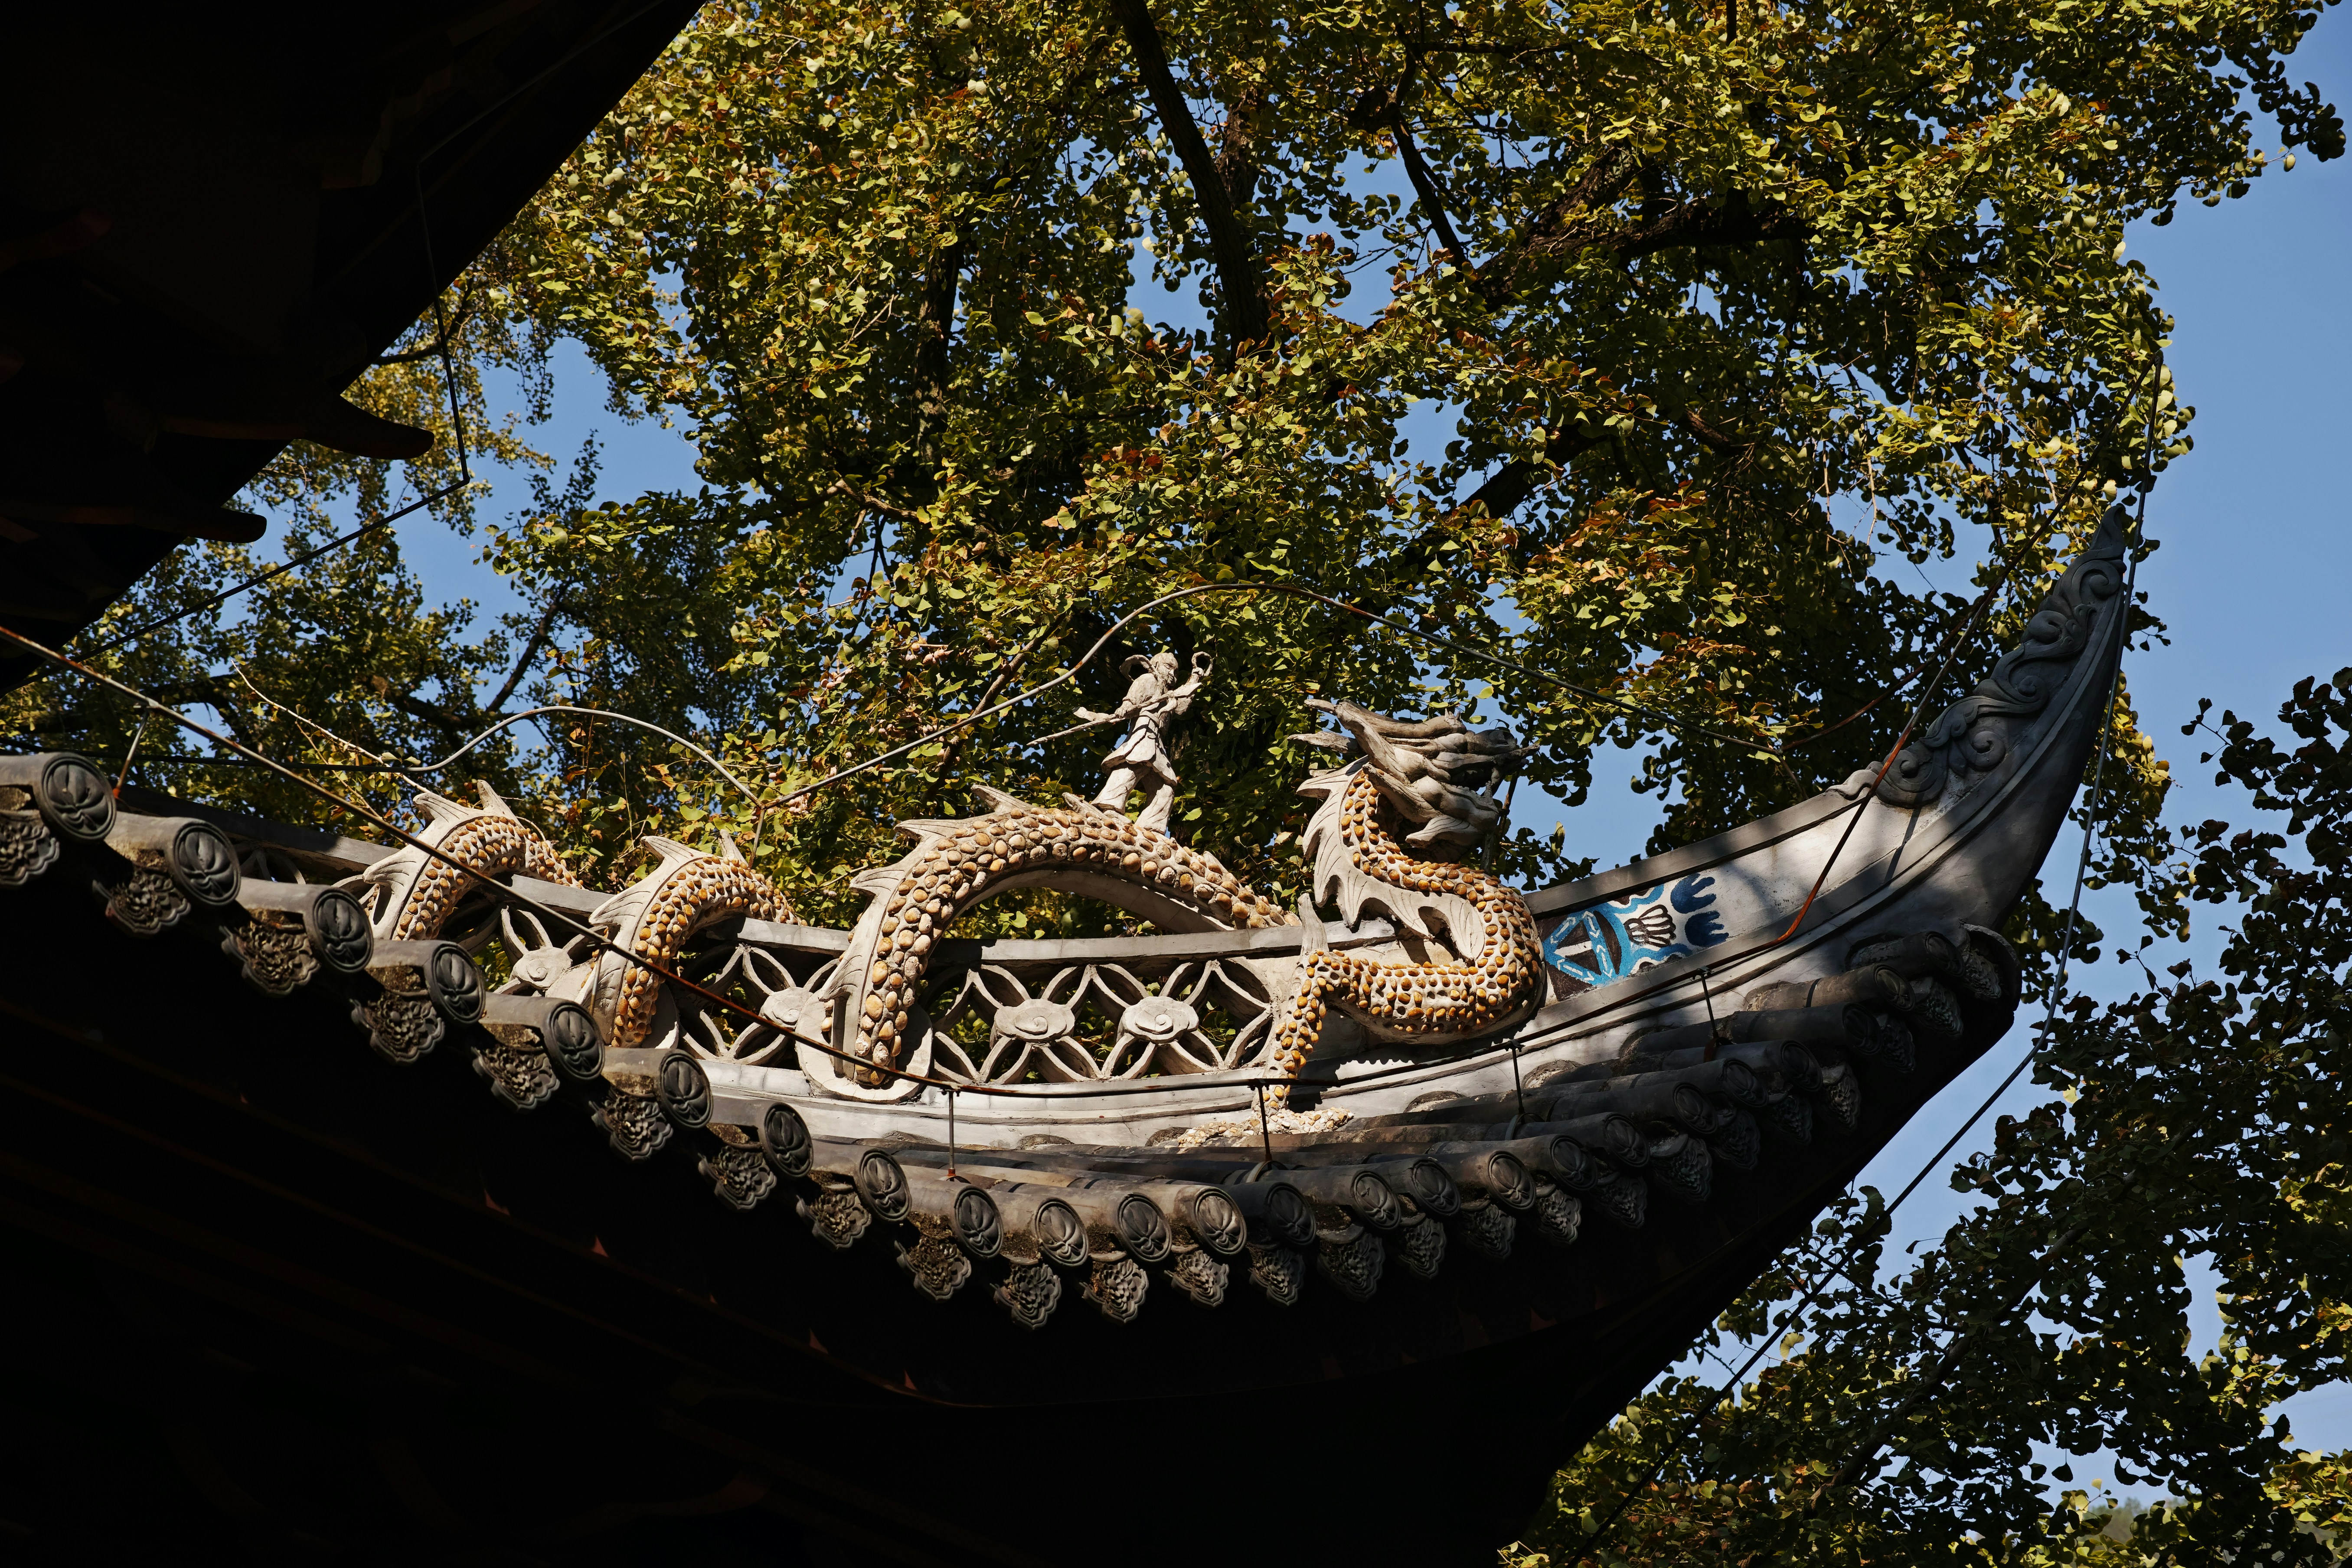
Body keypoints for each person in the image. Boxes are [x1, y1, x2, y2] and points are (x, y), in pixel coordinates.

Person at [1073, 648, 1212, 835]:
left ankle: (1152, 827)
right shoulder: (1148, 680)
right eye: (1168, 668)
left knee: (1166, 788)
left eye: (1176, 672)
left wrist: (1195, 678)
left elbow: (1180, 709)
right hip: (1144, 731)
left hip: (1158, 741)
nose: (1172, 674)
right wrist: (1126, 708)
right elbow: (1131, 701)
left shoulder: (1169, 695)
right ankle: (1109, 807)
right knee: (1132, 765)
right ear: (1155, 666)